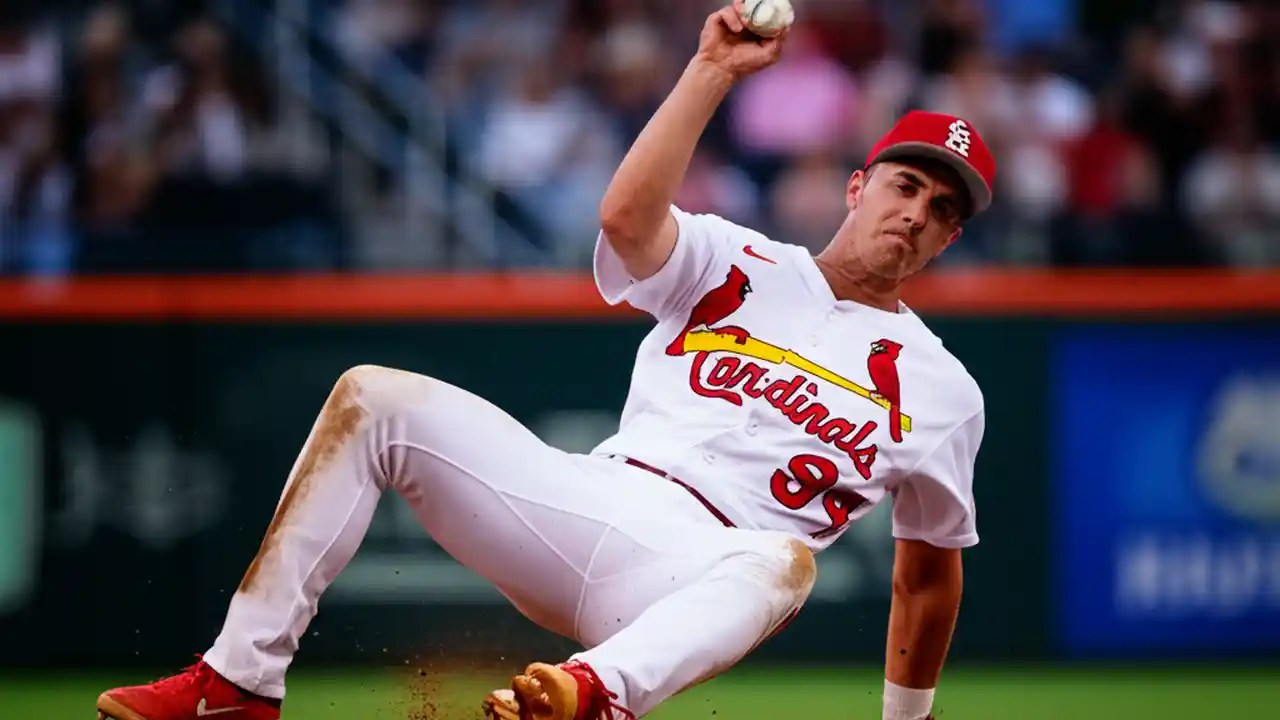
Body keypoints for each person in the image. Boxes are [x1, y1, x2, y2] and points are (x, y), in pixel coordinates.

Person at [96, 3, 995, 719]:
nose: (915, 212)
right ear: (858, 184)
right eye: (905, 184)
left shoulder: (944, 389)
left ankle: (591, 696)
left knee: (785, 562)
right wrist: (711, 68)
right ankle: (238, 685)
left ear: (951, 237)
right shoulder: (739, 258)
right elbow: (625, 224)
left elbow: (928, 570)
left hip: (703, 573)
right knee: (372, 398)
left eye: (942, 208)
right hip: (584, 499)